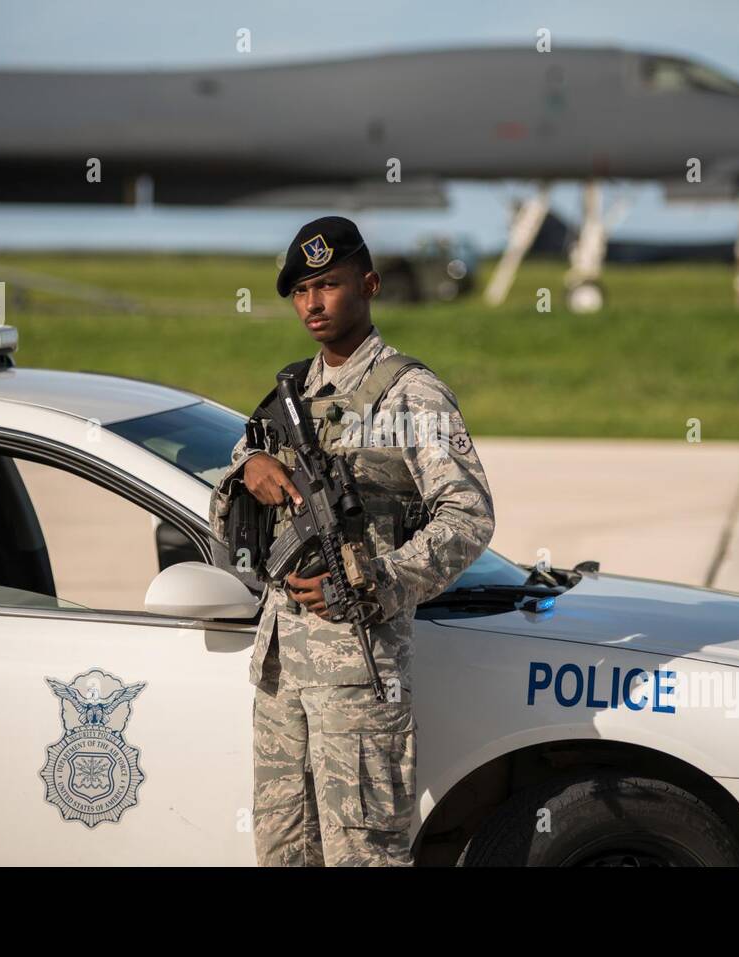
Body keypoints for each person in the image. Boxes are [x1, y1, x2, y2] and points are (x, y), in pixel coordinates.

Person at [209, 215, 495, 866]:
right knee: (283, 853)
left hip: (358, 673)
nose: (313, 302)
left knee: (362, 856)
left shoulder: (411, 395)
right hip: (279, 670)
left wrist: (381, 579)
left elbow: (468, 513)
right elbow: (227, 491)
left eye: (330, 285)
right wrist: (248, 469)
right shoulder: (291, 393)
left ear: (368, 285)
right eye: (301, 290)